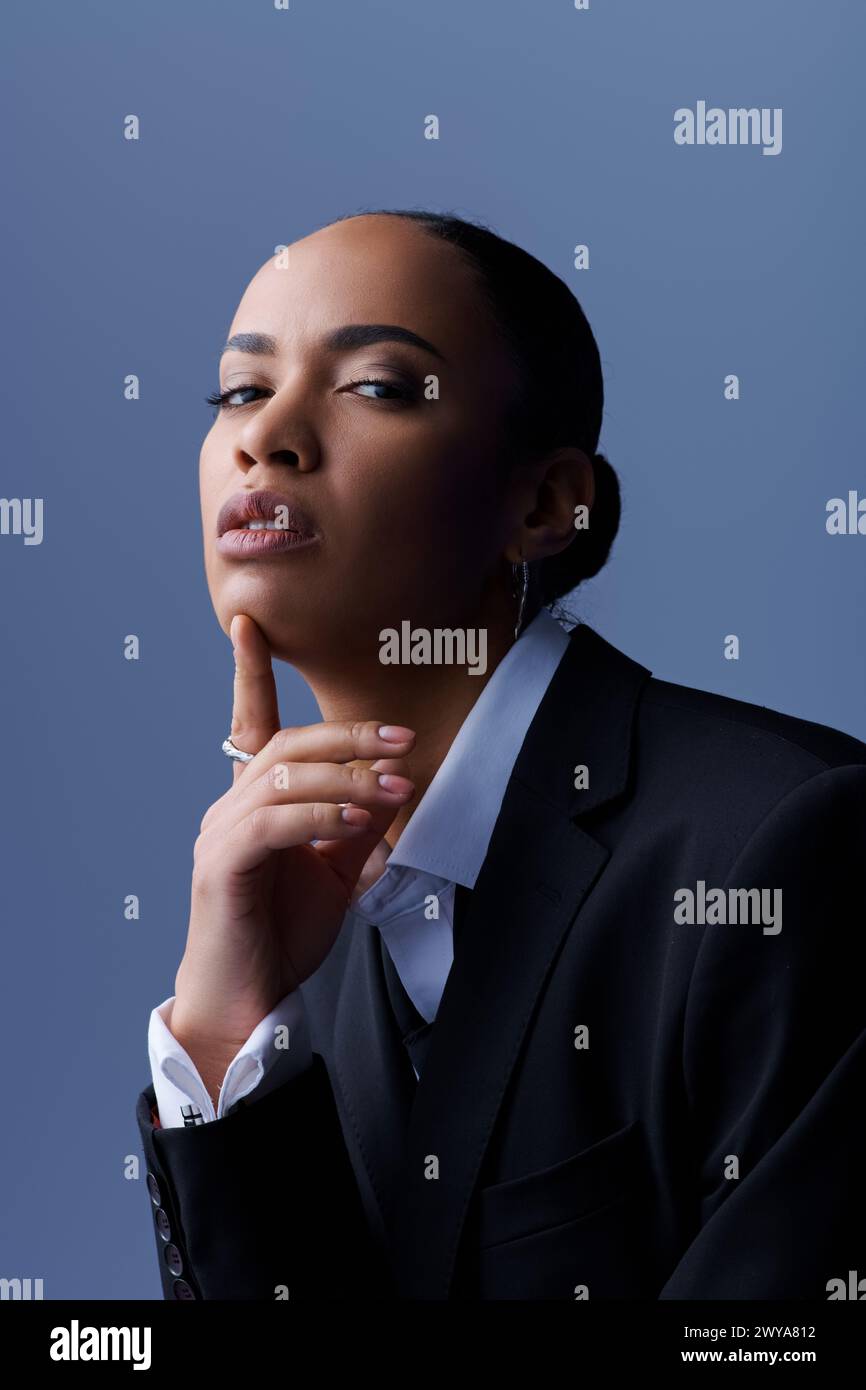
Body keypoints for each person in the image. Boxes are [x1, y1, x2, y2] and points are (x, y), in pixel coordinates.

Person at [135, 209, 866, 1301]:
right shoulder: (292, 941)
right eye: (241, 391)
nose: (266, 437)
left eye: (377, 384)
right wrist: (226, 1042)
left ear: (542, 502)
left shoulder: (783, 843)